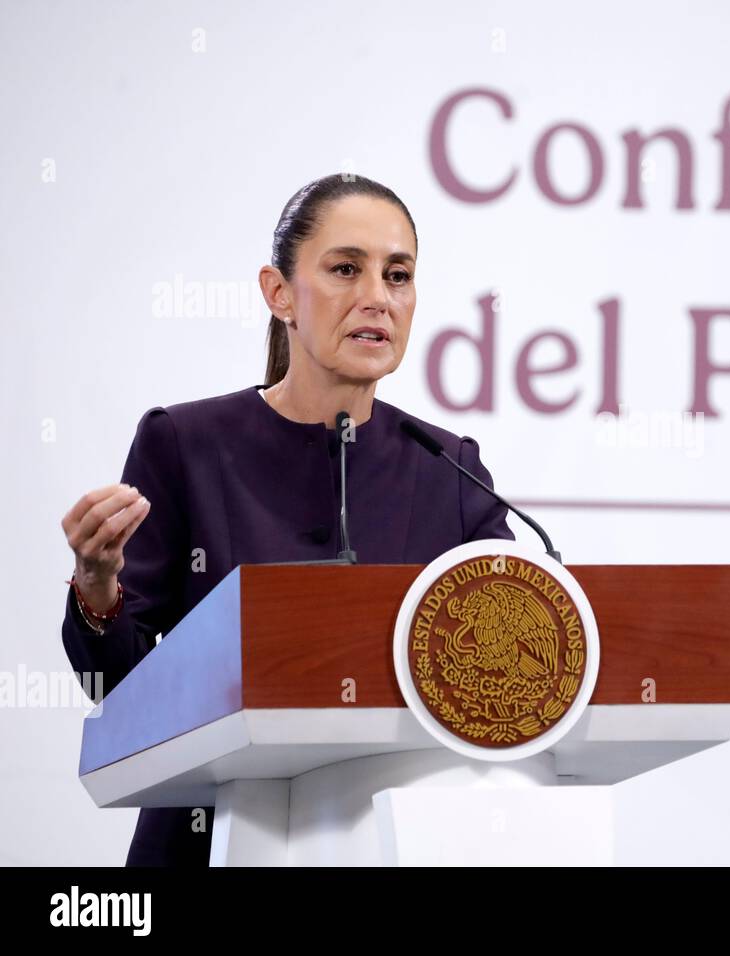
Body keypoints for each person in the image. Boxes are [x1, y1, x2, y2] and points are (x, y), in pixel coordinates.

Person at [58, 173, 514, 866]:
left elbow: (516, 653)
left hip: (395, 840)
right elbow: (117, 687)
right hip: (205, 841)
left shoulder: (446, 468)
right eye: (344, 269)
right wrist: (98, 589)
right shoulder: (186, 445)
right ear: (279, 294)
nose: (376, 298)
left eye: (397, 276)